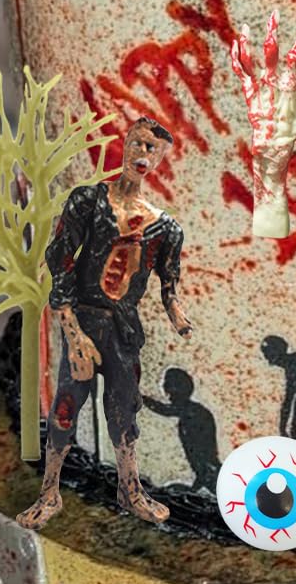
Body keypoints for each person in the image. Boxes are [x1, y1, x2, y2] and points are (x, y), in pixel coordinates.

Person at [25, 117, 192, 530]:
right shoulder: (90, 202)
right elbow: (60, 259)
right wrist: (72, 330)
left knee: (124, 409)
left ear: (161, 159)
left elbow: (168, 280)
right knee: (67, 407)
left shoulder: (165, 228)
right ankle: (49, 493)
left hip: (123, 330)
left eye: (153, 149)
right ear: (125, 144)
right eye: (138, 143)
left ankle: (129, 489)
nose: (143, 154)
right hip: (85, 320)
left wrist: (175, 311)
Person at [140, 366, 220, 493]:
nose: (164, 388)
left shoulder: (194, 411)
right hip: (206, 473)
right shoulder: (193, 412)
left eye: (168, 385)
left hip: (209, 472)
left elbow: (164, 409)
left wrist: (139, 398)